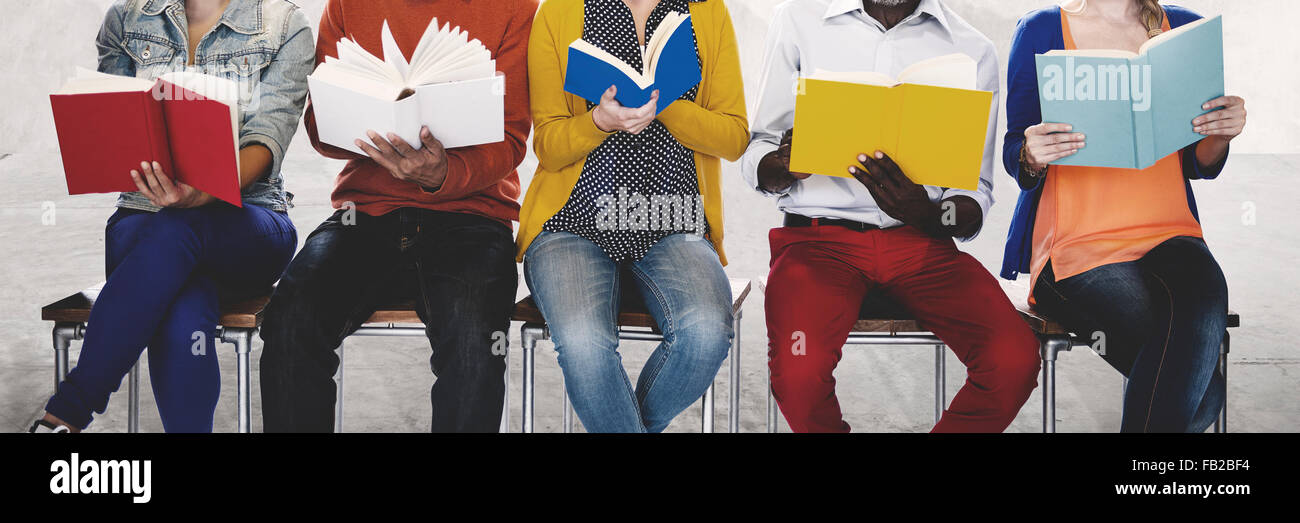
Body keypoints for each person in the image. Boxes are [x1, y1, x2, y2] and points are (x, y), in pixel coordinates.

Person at [742, 0, 1042, 433]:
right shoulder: (798, 20)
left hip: (922, 245)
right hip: (817, 246)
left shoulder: (970, 48)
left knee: (1013, 358)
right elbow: (757, 154)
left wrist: (930, 214)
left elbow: (973, 197)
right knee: (797, 372)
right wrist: (782, 164)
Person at [30, 0, 312, 433]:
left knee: (181, 232)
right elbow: (111, 126)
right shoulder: (125, 20)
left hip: (247, 222)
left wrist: (204, 191)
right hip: (143, 219)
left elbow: (268, 135)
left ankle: (68, 412)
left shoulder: (284, 25)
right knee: (182, 302)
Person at [258, 0, 536, 433]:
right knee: (291, 319)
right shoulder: (347, 4)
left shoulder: (516, 7)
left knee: (473, 343)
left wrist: (443, 172)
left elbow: (513, 137)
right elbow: (320, 129)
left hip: (473, 216)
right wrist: (371, 132)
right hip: (365, 214)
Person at [1002, 0, 1245, 433]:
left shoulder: (1185, 29)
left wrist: (1221, 133)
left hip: (1172, 233)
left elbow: (1197, 162)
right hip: (1076, 246)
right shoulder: (1041, 30)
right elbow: (1015, 152)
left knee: (1207, 295)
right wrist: (1031, 153)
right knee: (1202, 397)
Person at [517, 0, 748, 432]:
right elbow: (548, 145)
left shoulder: (707, 11)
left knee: (706, 334)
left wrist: (664, 104)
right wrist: (598, 121)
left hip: (674, 220)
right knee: (585, 344)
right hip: (574, 223)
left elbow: (734, 138)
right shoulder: (560, 11)